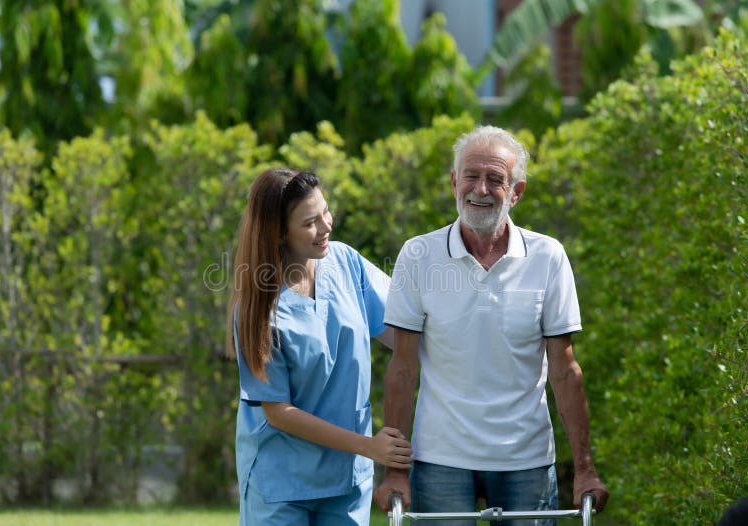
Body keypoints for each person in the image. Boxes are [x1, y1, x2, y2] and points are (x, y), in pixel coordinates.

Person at [374, 126, 610, 525]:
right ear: (453, 182)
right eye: (470, 175)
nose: (479, 189)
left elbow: (565, 372)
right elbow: (402, 368)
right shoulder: (418, 255)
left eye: (495, 179)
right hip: (439, 457)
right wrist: (395, 471)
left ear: (516, 192)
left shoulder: (548, 256)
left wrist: (585, 468)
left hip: (526, 459)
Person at [227, 168, 412, 526]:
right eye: (310, 222)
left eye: (325, 211)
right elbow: (278, 411)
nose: (326, 226)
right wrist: (369, 446)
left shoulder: (346, 262)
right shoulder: (257, 308)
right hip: (280, 481)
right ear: (279, 233)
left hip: (346, 479)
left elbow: (404, 336)